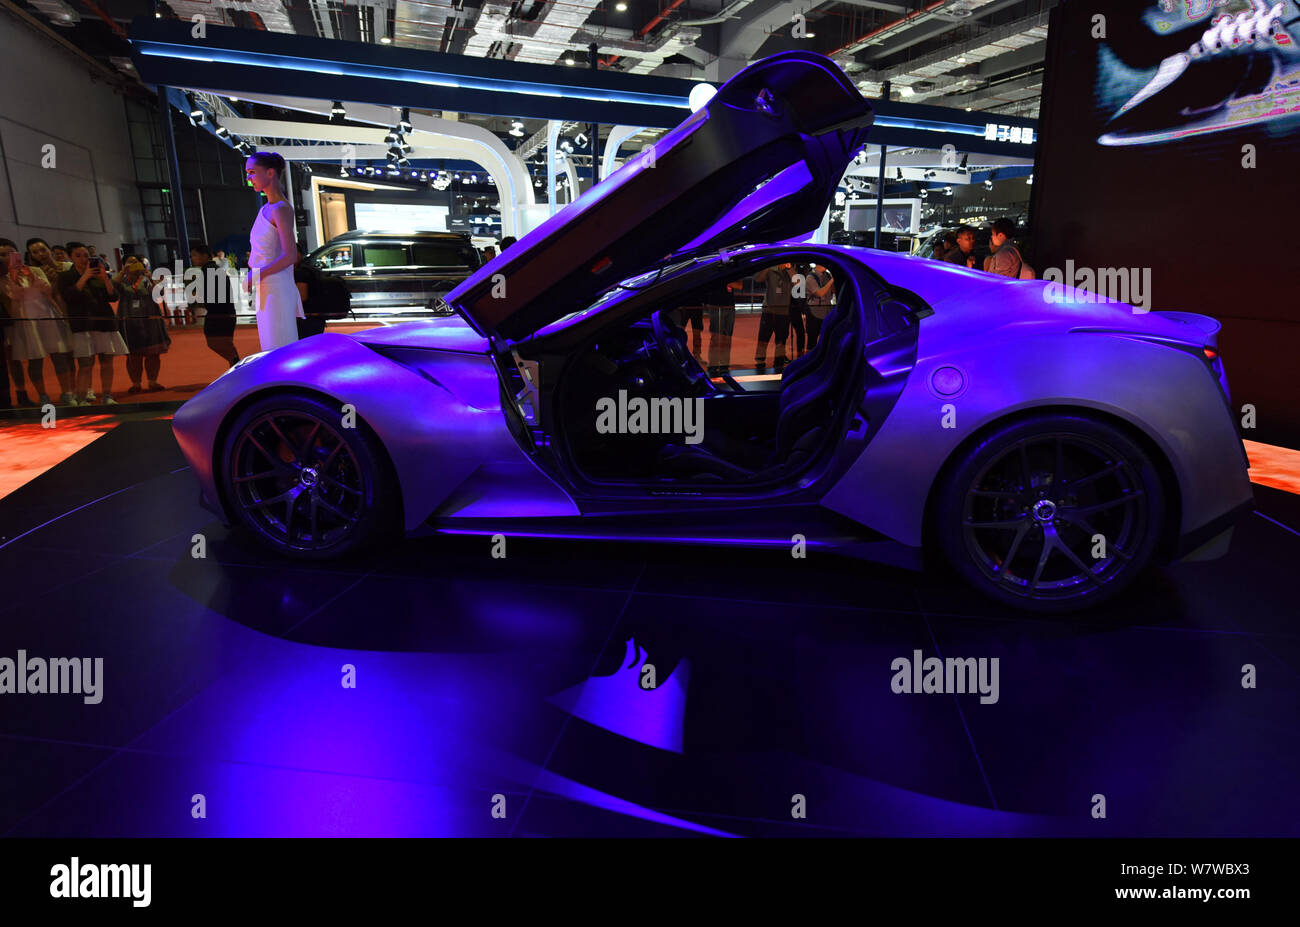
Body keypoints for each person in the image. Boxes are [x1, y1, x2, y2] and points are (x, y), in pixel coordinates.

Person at [0, 240, 75, 405]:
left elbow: (48, 291)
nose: (7, 257)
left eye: (11, 253)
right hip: (25, 322)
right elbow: (13, 299)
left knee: (59, 357)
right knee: (35, 360)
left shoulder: (35, 270)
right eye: (3, 255)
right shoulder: (3, 279)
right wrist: (14, 282)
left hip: (47, 316)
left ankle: (67, 393)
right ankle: (42, 395)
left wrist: (31, 276)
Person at [243, 151, 305, 351]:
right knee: (271, 347)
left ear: (270, 173)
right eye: (247, 173)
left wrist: (257, 273)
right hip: (266, 287)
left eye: (252, 172)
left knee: (279, 348)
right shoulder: (266, 209)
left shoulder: (280, 208)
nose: (249, 177)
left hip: (276, 288)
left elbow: (291, 255)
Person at [58, 243, 126, 404]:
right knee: (85, 364)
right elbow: (70, 296)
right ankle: (82, 398)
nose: (83, 259)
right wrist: (85, 276)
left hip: (104, 322)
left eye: (86, 255)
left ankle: (107, 396)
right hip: (83, 325)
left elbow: (113, 297)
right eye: (78, 255)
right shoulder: (66, 276)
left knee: (107, 362)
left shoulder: (99, 275)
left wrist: (104, 278)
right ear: (70, 257)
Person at [115, 256, 169, 393]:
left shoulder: (147, 279)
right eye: (130, 262)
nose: (133, 265)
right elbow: (111, 290)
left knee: (153, 353)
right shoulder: (121, 280)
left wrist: (151, 277)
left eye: (136, 262)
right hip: (129, 320)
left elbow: (160, 294)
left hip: (150, 319)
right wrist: (123, 272)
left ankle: (153, 381)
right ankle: (136, 384)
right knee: (133, 355)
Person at [192, 242, 240, 368]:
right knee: (222, 343)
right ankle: (235, 365)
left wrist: (198, 298)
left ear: (205, 256)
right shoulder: (210, 269)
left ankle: (237, 365)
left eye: (195, 255)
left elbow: (211, 295)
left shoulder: (210, 270)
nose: (193, 258)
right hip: (222, 312)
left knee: (219, 343)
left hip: (220, 314)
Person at [754, 263, 794, 372]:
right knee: (763, 338)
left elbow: (798, 283)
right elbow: (758, 279)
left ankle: (779, 362)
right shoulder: (770, 269)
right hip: (769, 310)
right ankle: (760, 361)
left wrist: (790, 268)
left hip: (783, 311)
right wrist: (768, 266)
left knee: (781, 339)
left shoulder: (789, 271)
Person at [705, 278, 741, 376]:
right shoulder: (715, 268)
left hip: (729, 306)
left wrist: (723, 281)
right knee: (716, 337)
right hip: (715, 306)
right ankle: (713, 364)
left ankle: (724, 364)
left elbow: (739, 285)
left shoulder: (733, 269)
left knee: (727, 337)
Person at [293, 245, 328, 340]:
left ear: (299, 254)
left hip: (307, 319)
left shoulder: (300, 272)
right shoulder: (310, 268)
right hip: (317, 317)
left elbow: (302, 296)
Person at [805, 264, 835, 350]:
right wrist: (832, 280)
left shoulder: (827, 275)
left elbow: (833, 291)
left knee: (826, 339)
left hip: (827, 312)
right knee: (812, 341)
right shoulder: (810, 277)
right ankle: (810, 361)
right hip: (814, 312)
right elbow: (820, 293)